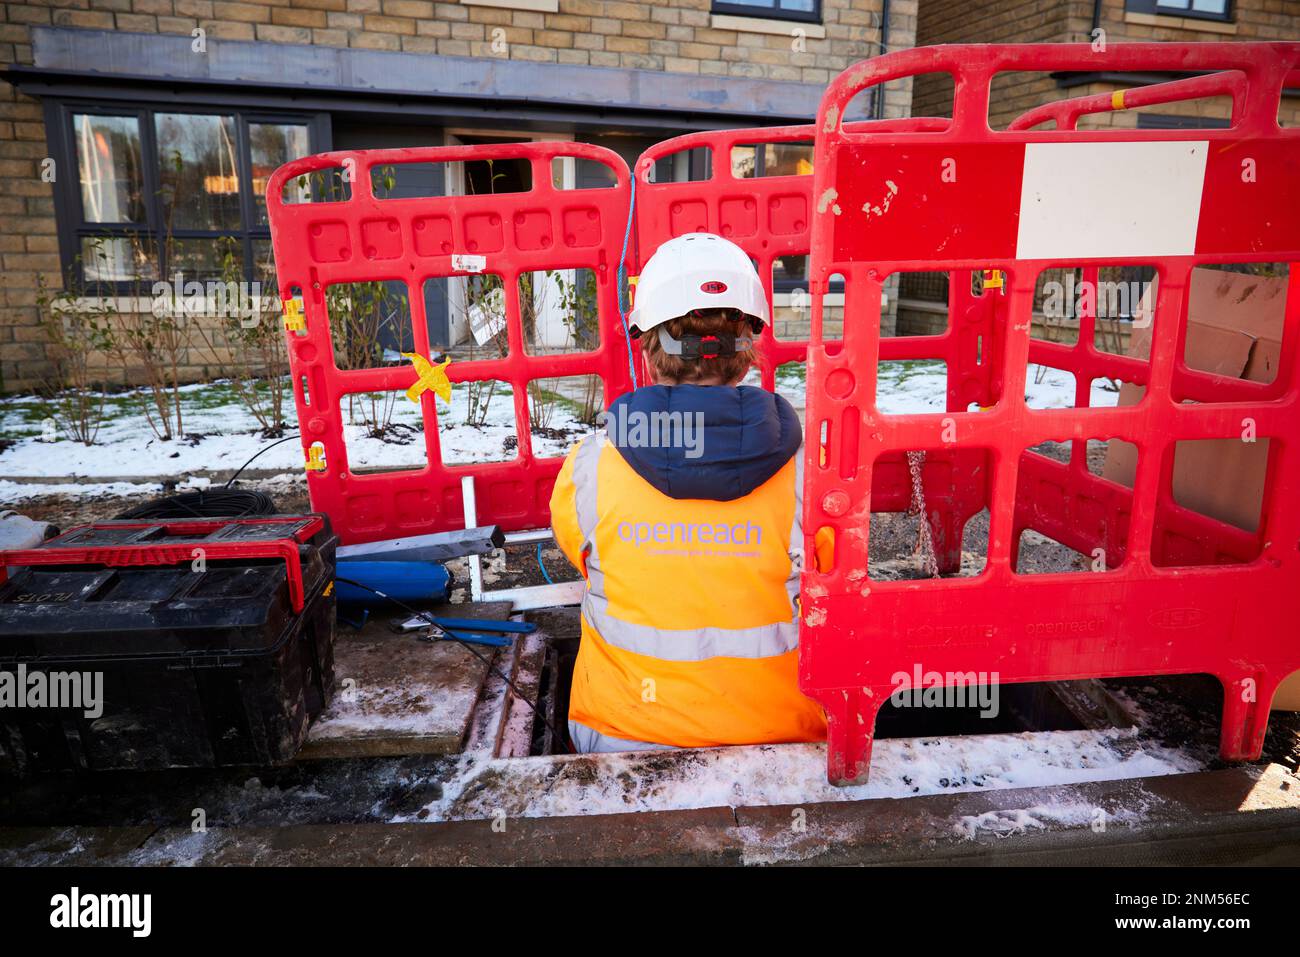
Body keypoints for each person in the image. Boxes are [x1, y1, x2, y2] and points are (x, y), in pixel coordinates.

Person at [549, 232, 828, 753]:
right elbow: (833, 574)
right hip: (784, 737)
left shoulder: (591, 464)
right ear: (747, 353)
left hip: (622, 734)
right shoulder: (814, 467)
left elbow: (580, 557)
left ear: (652, 354)